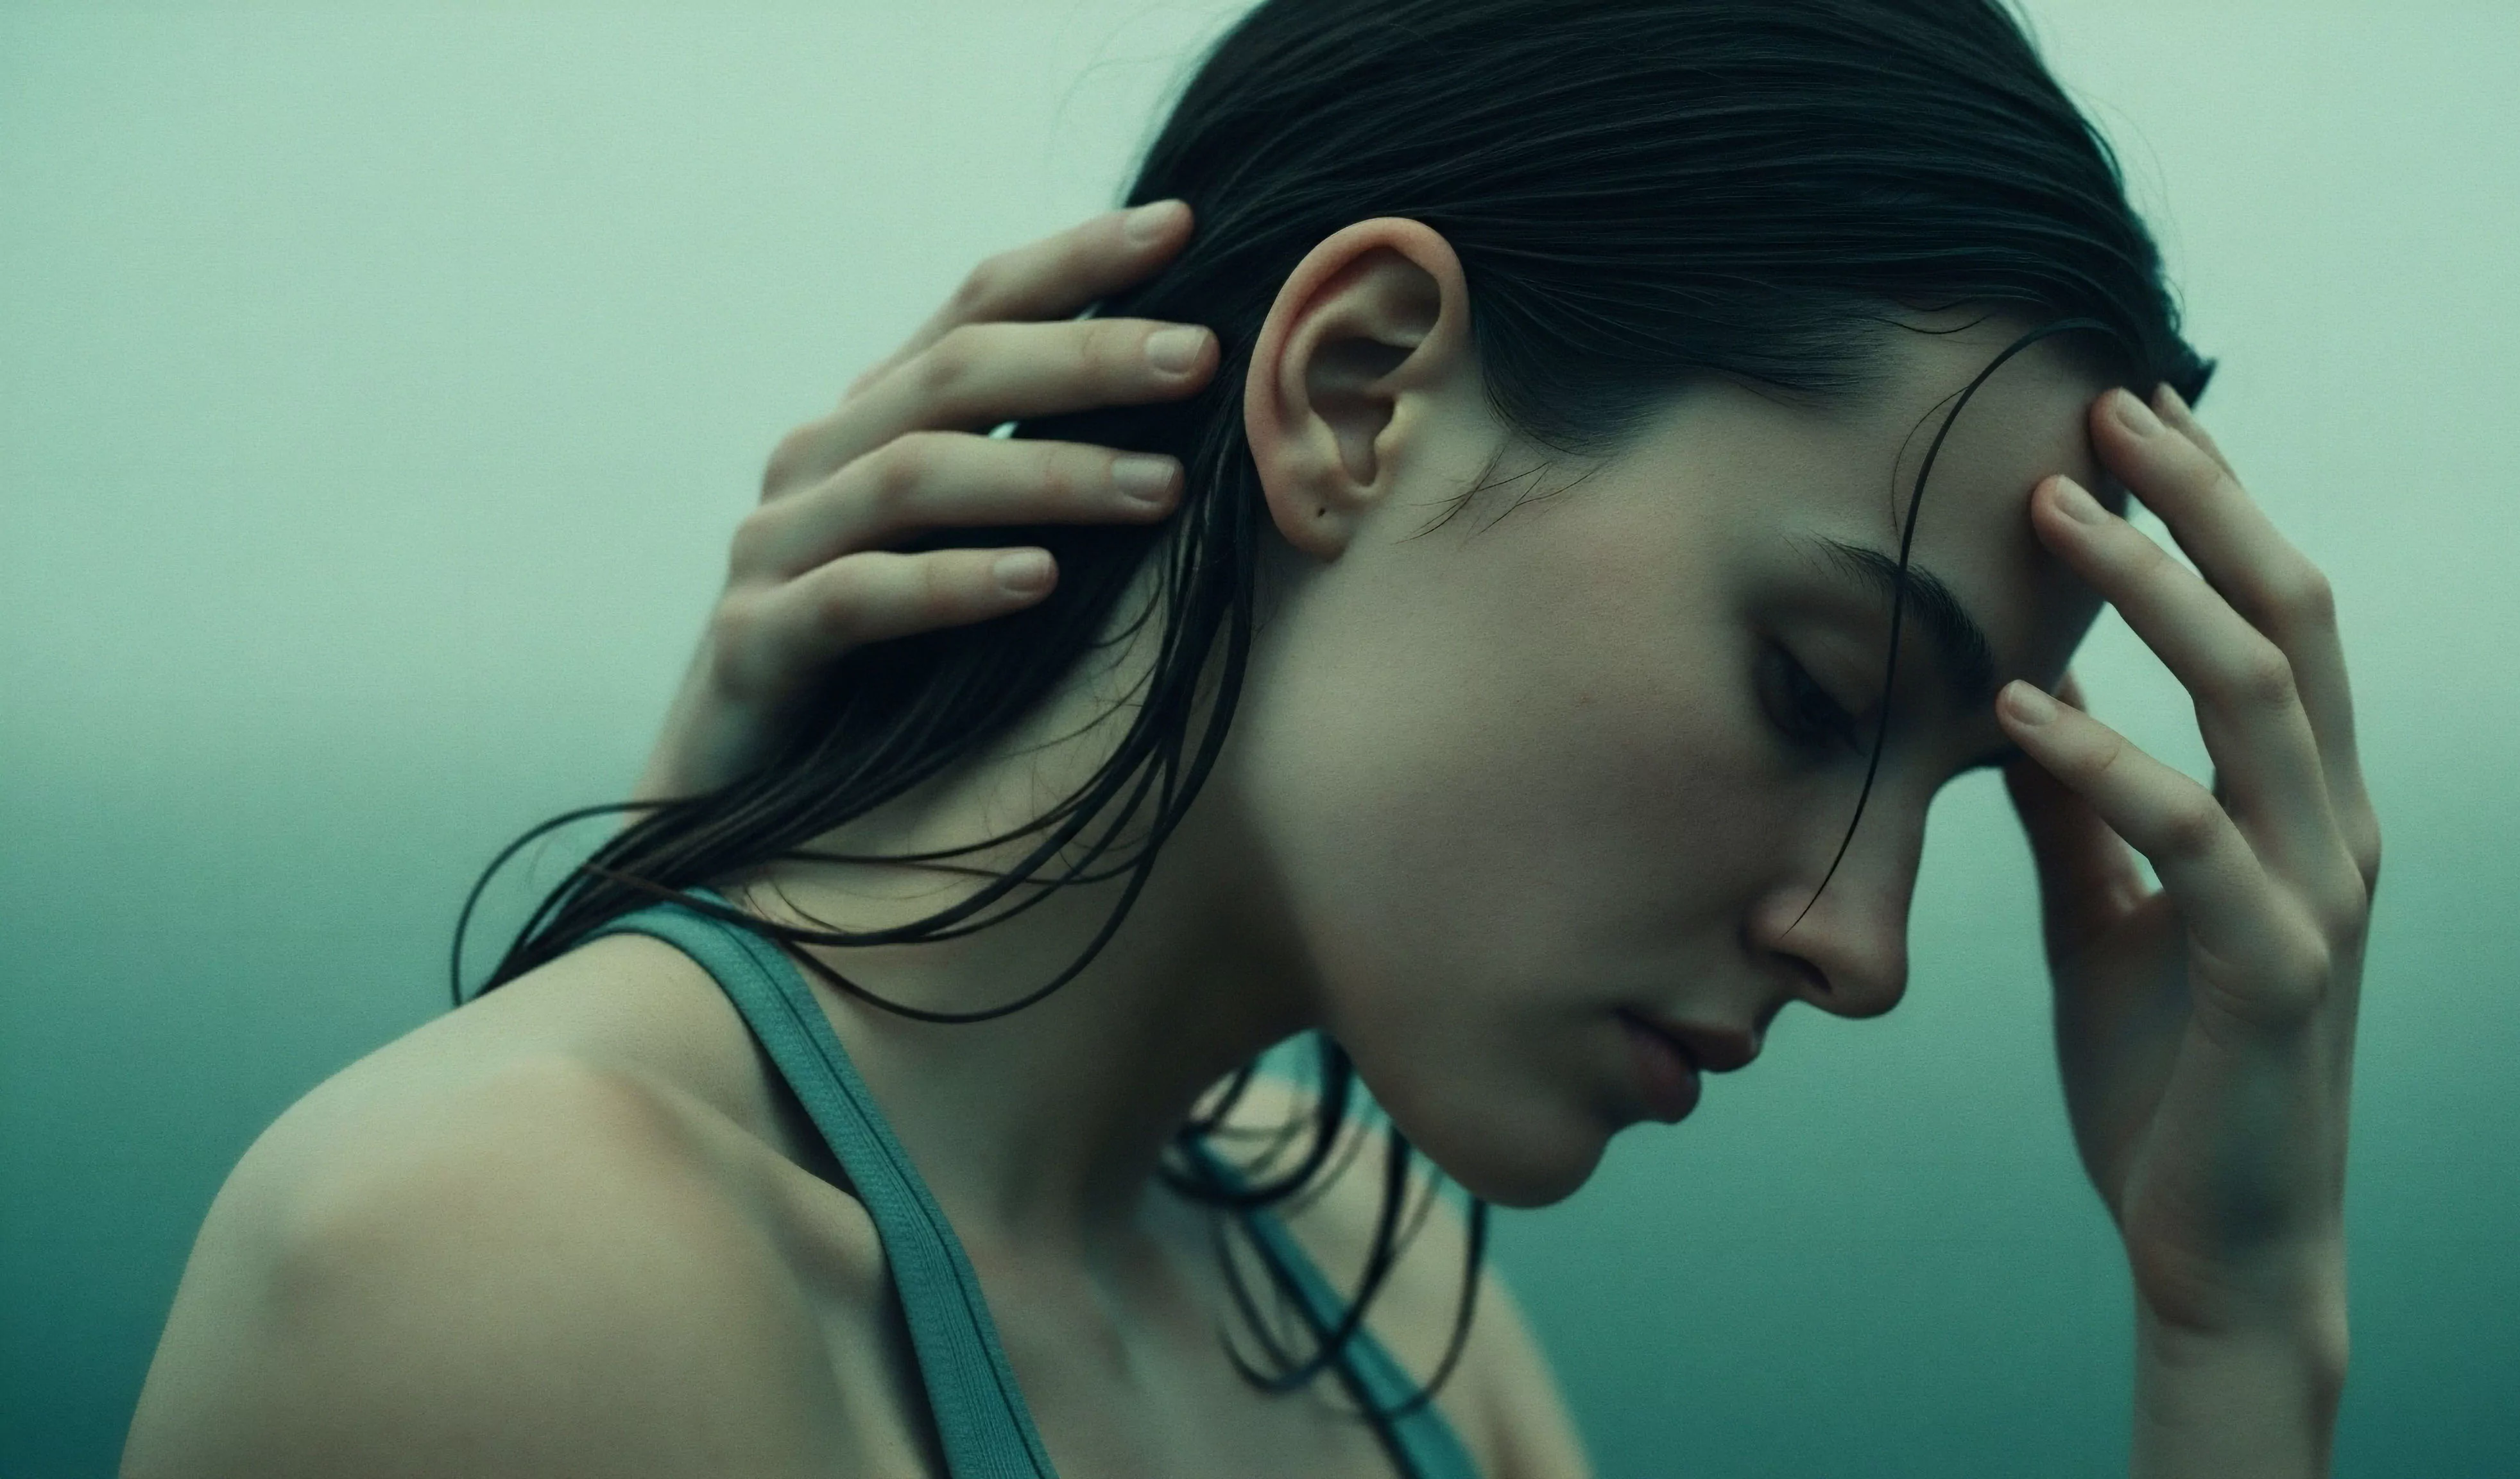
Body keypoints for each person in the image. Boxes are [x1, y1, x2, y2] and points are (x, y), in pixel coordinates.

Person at [119, 1, 2378, 1475]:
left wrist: (2234, 1330)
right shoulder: (500, 1270)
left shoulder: (1383, 1307)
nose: (1865, 950)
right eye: (1811, 688)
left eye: (1951, 793)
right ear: (1357, 386)